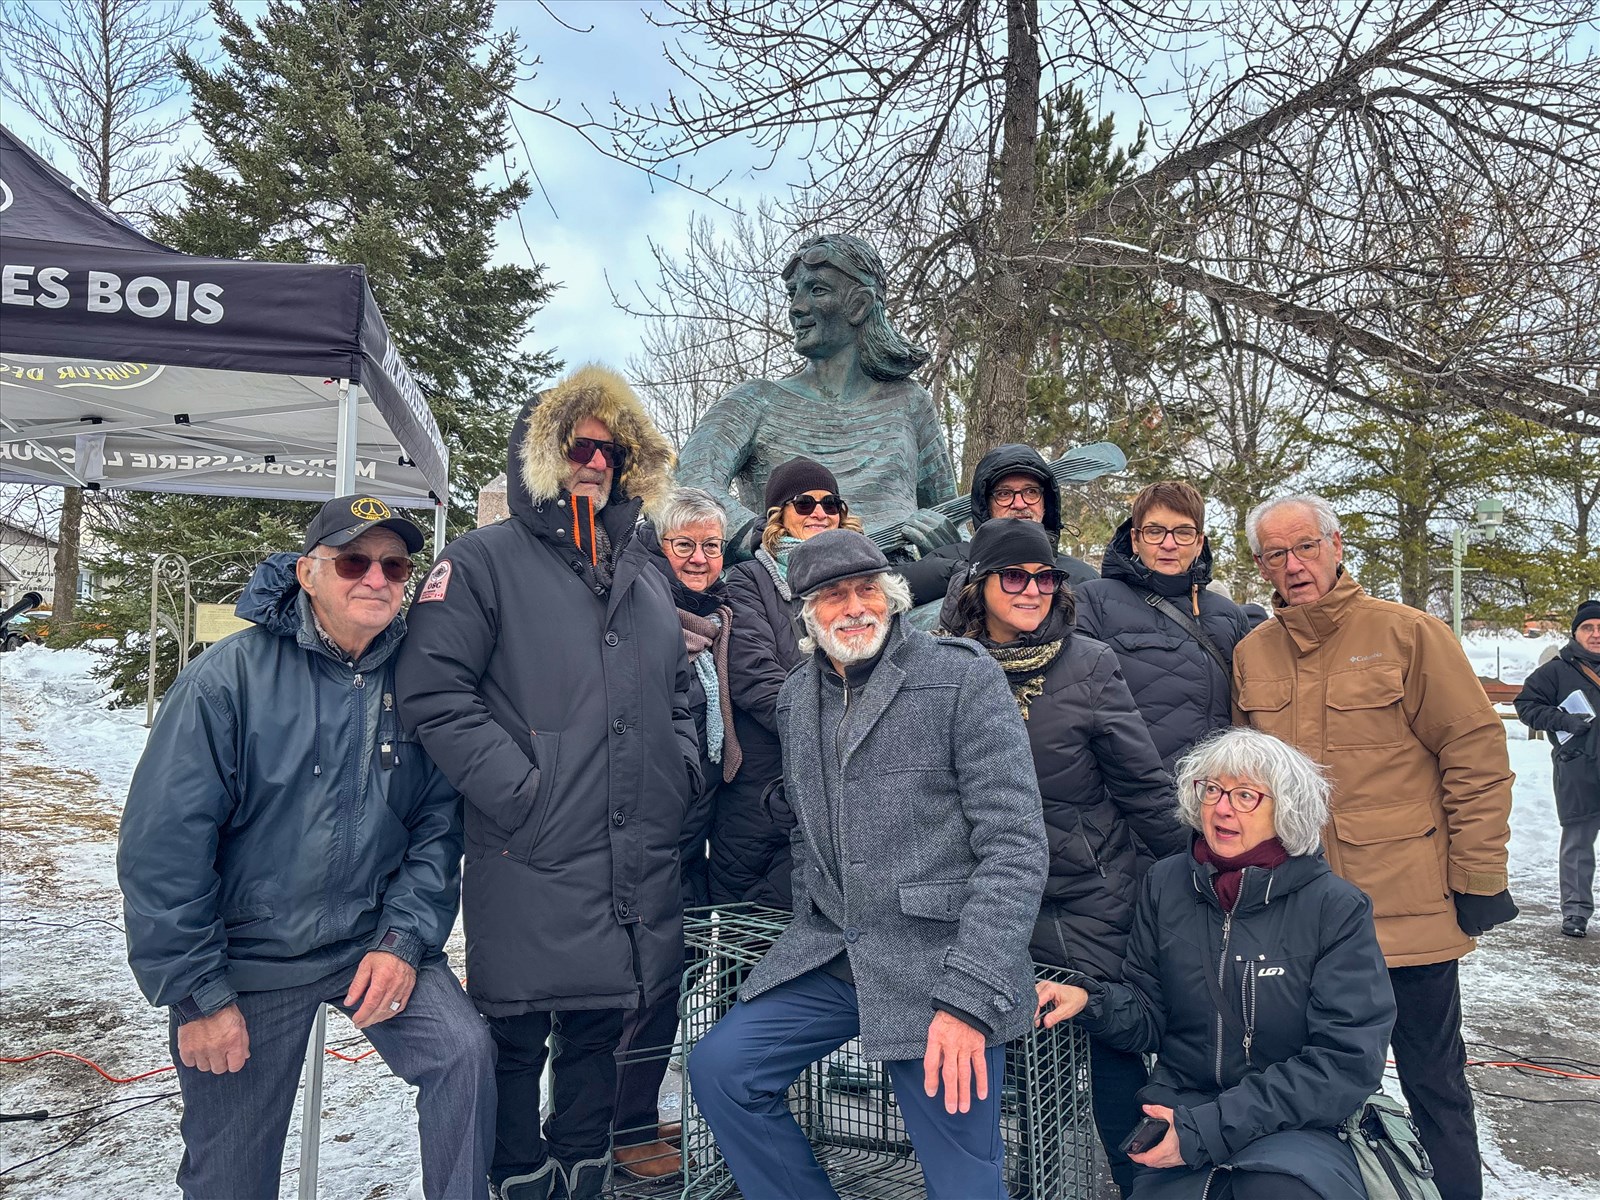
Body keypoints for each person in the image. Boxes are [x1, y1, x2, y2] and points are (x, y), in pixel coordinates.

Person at [118, 495, 494, 1200]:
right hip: (248, 959)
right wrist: (200, 997)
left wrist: (404, 938)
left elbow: (439, 826)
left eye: (393, 565)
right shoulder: (228, 679)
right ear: (308, 574)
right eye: (355, 561)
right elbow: (162, 848)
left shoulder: (419, 680)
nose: (376, 579)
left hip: (368, 941)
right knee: (230, 1172)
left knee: (464, 1054)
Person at [395, 365, 700, 1200]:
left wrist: (677, 770)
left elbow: (677, 692)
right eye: (577, 444)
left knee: (602, 1030)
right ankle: (518, 1179)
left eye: (611, 448)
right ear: (541, 454)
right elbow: (432, 693)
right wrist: (523, 790)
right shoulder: (482, 561)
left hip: (629, 850)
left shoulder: (643, 572)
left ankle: (585, 1175)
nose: (593, 461)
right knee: (518, 1037)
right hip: (531, 847)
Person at [688, 529, 1048, 1200]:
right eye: (831, 596)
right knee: (722, 1071)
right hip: (834, 955)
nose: (853, 608)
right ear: (806, 614)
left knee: (964, 1183)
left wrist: (967, 1002)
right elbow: (806, 834)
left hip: (941, 964)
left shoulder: (961, 676)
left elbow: (1016, 846)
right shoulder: (798, 698)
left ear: (892, 597)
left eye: (866, 590)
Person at [1232, 492, 1516, 1200]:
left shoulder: (1408, 635)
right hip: (1297, 919)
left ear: (1336, 545)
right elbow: (1244, 783)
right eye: (1276, 554)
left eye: (1305, 547)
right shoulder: (1252, 653)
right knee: (1306, 1086)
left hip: (1405, 909)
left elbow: (1475, 752)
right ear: (1261, 564)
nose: (1293, 566)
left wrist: (1478, 872)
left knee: (1434, 1082)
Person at [1035, 727, 1396, 1200]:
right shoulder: (1166, 883)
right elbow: (1149, 1015)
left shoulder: (1335, 907)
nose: (1221, 808)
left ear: (1287, 808)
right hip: (1179, 1115)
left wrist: (1208, 1127)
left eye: (1246, 796)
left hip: (1298, 1126)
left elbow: (1344, 1061)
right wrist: (1091, 1001)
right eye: (1212, 790)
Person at [938, 518, 1186, 1197]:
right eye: (1014, 576)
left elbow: (1142, 786)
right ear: (978, 585)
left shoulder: (1089, 664)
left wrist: (1201, 870)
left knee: (1111, 1054)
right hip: (991, 900)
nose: (1032, 589)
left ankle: (1140, 1186)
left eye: (1044, 577)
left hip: (1087, 896)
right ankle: (1034, 1181)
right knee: (1016, 1062)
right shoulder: (940, 667)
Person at [676, 232, 959, 555]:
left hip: (905, 578)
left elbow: (949, 511)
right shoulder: (756, 400)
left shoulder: (910, 401)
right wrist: (766, 541)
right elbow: (691, 480)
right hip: (790, 587)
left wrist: (945, 538)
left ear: (858, 305)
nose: (797, 308)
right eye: (793, 293)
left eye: (817, 290)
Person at [610, 486, 741, 1180]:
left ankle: (626, 1110)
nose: (698, 556)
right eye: (683, 543)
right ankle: (622, 1128)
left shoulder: (712, 615)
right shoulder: (644, 609)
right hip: (650, 834)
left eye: (710, 544)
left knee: (669, 982)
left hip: (690, 836)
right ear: (659, 547)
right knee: (643, 988)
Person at [711, 457, 865, 909]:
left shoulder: (865, 587)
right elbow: (755, 677)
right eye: (804, 503)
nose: (820, 513)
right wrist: (846, 727)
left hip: (846, 790)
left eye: (830, 503)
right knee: (758, 944)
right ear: (779, 515)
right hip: (765, 793)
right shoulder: (747, 581)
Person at [1076, 481, 1263, 773]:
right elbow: (1073, 708)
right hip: (1127, 795)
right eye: (1154, 531)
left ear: (1200, 542)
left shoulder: (1228, 615)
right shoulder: (1093, 600)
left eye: (1183, 532)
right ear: (1135, 539)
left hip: (1213, 795)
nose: (1169, 543)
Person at [899, 442, 1097, 609]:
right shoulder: (953, 556)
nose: (1019, 504)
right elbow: (890, 586)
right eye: (1004, 494)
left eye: (1031, 492)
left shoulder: (1082, 577)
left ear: (1046, 503)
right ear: (986, 506)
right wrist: (969, 573)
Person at [1515, 599, 1600, 938]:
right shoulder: (1556, 670)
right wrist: (1563, 720)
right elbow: (1526, 705)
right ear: (1575, 633)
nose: (1595, 635)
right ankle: (1576, 913)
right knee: (1578, 843)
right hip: (1578, 769)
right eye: (1588, 628)